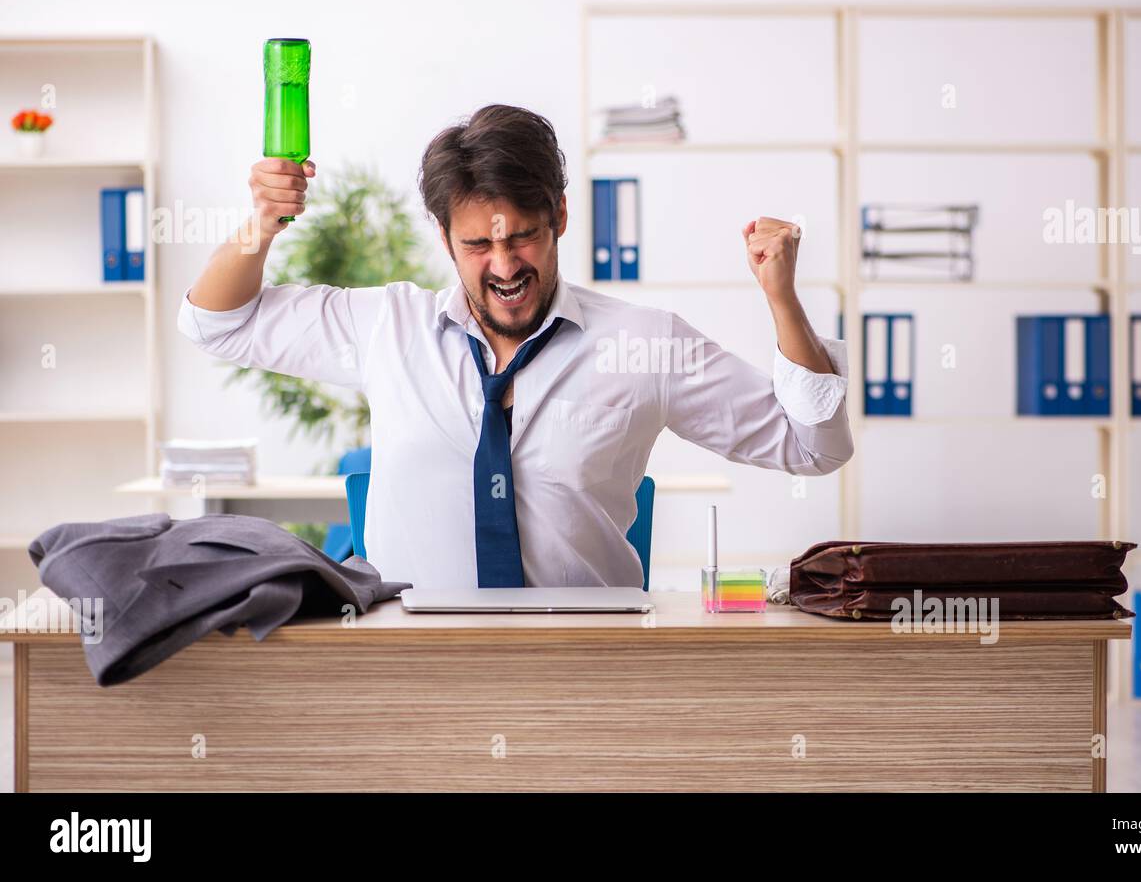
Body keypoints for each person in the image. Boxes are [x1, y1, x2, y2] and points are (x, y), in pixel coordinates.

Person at [179, 104, 853, 588]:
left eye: (523, 235)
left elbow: (815, 444)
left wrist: (781, 297)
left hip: (585, 672)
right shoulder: (388, 326)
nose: (504, 266)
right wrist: (262, 225)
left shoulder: (643, 342)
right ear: (445, 239)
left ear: (560, 215)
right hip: (410, 669)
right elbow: (216, 322)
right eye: (478, 244)